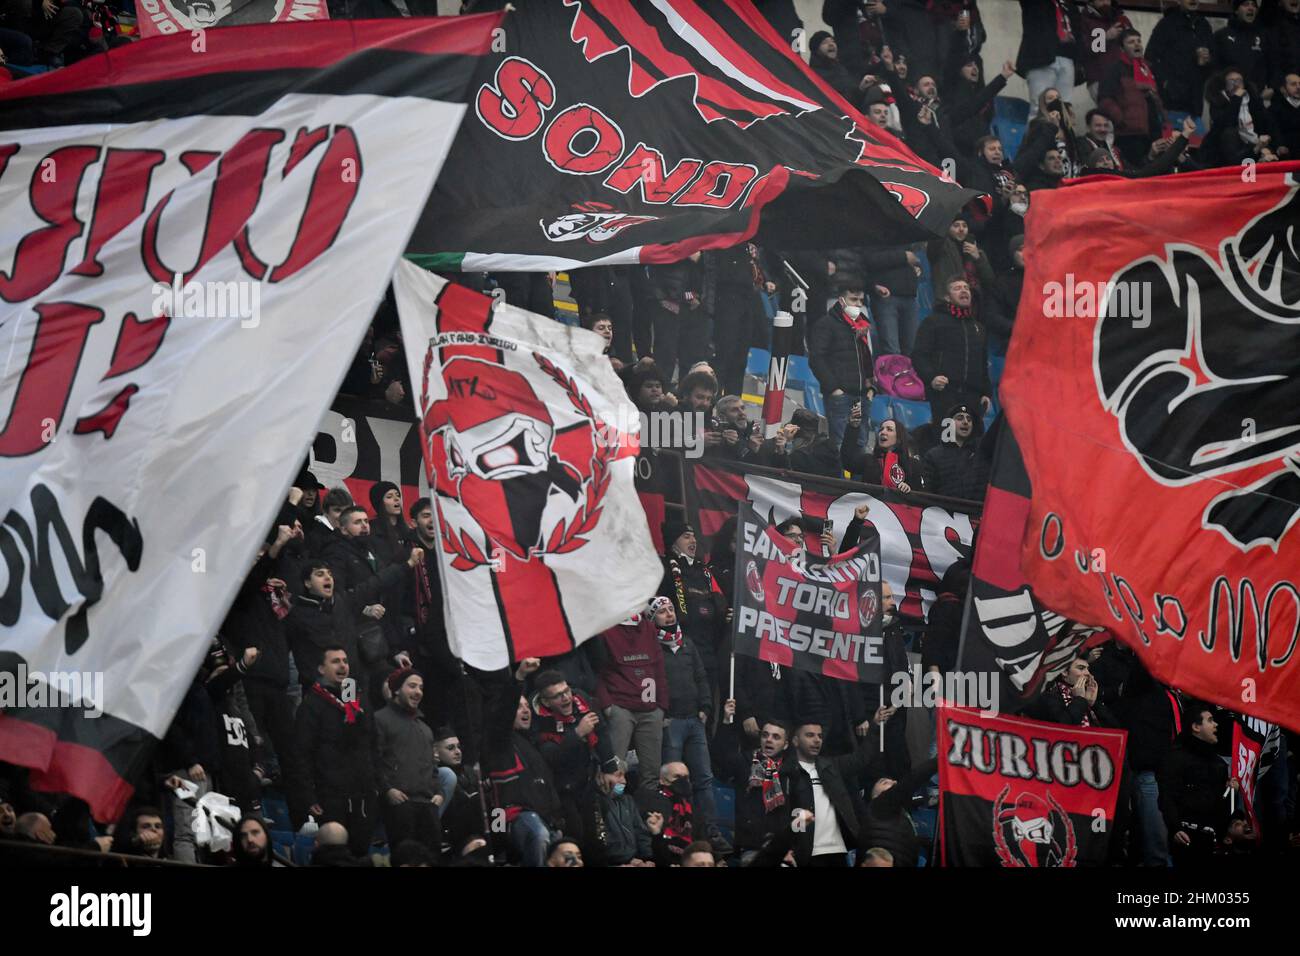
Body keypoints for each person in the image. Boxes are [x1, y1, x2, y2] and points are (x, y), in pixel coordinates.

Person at [647, 596, 730, 854]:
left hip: (694, 720)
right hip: (671, 722)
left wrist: (706, 708)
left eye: (671, 609)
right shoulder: (652, 648)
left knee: (704, 778)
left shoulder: (688, 644)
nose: (669, 615)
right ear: (652, 619)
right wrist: (661, 713)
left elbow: (701, 677)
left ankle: (711, 831)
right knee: (674, 780)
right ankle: (677, 831)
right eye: (661, 612)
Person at [294, 646, 380, 858]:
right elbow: (302, 753)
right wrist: (309, 795)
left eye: (345, 661)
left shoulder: (357, 698)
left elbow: (373, 743)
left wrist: (376, 781)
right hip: (331, 795)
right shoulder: (312, 704)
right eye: (335, 661)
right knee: (336, 855)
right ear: (321, 669)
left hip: (363, 793)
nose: (343, 665)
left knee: (361, 852)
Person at [480, 658, 564, 867]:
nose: (526, 710)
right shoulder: (498, 740)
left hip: (547, 817)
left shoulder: (531, 745)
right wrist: (518, 678)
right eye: (519, 707)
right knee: (539, 835)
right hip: (513, 817)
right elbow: (502, 712)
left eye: (527, 706)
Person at [784, 711, 890, 867]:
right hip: (807, 852)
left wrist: (874, 726)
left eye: (819, 736)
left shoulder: (831, 766)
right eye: (810, 735)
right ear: (795, 740)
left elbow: (861, 758)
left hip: (838, 850)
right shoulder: (786, 773)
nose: (816, 740)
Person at [530, 668, 618, 847]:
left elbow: (601, 732)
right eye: (558, 696)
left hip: (587, 778)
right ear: (545, 702)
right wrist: (577, 733)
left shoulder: (582, 700)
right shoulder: (537, 719)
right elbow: (548, 756)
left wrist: (610, 769)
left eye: (566, 691)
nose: (566, 698)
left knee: (598, 837)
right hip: (560, 788)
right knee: (576, 835)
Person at [590, 609, 666, 794]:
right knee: (613, 769)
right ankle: (611, 815)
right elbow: (596, 670)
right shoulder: (605, 629)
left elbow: (659, 667)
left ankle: (649, 815)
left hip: (650, 709)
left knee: (652, 771)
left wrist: (662, 706)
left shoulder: (648, 627)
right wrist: (608, 705)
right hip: (620, 708)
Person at [375, 668, 444, 855]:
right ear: (396, 689)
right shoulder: (380, 719)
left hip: (427, 804)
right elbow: (373, 760)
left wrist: (438, 792)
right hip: (400, 804)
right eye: (412, 686)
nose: (418, 692)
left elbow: (433, 766)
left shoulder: (425, 728)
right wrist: (387, 789)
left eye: (421, 687)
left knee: (433, 857)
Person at [710, 704, 793, 861]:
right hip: (751, 846)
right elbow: (721, 763)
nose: (769, 740)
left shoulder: (791, 771)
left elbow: (797, 811)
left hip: (783, 850)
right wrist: (726, 723)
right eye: (765, 735)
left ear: (786, 744)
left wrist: (793, 846)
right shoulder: (746, 762)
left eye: (776, 737)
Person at [911, 277, 993, 427]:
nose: (963, 290)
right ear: (947, 297)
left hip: (973, 398)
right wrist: (932, 377)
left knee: (972, 445)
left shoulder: (978, 328)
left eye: (966, 288)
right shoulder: (933, 322)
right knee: (947, 444)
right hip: (945, 395)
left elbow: (983, 364)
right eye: (957, 288)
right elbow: (919, 355)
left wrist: (986, 393)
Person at [808, 273, 876, 451]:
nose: (858, 304)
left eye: (861, 300)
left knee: (861, 447)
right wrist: (834, 389)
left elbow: (867, 357)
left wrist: (871, 389)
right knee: (839, 446)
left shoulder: (862, 326)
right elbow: (816, 358)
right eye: (854, 299)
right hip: (841, 396)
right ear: (841, 300)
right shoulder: (826, 324)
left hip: (862, 396)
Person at [1159, 703, 1234, 866]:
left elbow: (1220, 804)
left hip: (1212, 841)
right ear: (1195, 727)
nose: (1216, 724)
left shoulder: (1219, 764)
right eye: (1210, 720)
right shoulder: (1175, 758)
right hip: (1185, 838)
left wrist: (1230, 791)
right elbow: (1167, 796)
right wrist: (1175, 827)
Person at [658, 519, 728, 692]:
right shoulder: (664, 569)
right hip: (681, 651)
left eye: (694, 537)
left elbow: (719, 603)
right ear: (673, 541)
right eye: (686, 537)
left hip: (710, 650)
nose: (693, 541)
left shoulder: (704, 571)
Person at [1098, 29, 1166, 167]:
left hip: (1153, 132)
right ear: (1122, 48)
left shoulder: (1149, 68)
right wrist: (1121, 119)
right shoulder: (1115, 69)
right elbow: (1105, 99)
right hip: (1129, 135)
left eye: (1138, 41)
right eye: (1131, 42)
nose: (1137, 45)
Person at [1147, 0, 1216, 118]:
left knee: (1194, 134)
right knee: (1172, 134)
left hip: (1195, 95)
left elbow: (1213, 57)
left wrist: (1207, 60)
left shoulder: (1203, 25)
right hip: (1171, 96)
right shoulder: (1167, 24)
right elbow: (1150, 58)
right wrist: (1166, 83)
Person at [1016, 0, 1081, 117]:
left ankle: (1062, 135)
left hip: (1067, 57)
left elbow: (1079, 32)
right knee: (1040, 107)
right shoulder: (1035, 3)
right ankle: (1037, 135)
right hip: (1040, 57)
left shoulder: (1069, 6)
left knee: (1064, 109)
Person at [842, 409, 927, 494]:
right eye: (881, 429)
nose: (883, 432)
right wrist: (853, 427)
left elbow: (919, 494)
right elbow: (848, 462)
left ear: (899, 438)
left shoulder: (914, 465)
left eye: (889, 429)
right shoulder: (868, 460)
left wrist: (909, 489)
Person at [588, 758, 655, 866]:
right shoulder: (593, 803)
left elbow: (640, 831)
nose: (624, 781)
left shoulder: (628, 801)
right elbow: (602, 841)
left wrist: (648, 858)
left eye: (624, 776)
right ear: (601, 776)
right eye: (618, 775)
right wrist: (628, 859)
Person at [923, 402, 990, 500]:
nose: (966, 422)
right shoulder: (933, 455)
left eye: (969, 419)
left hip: (975, 513)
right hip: (943, 513)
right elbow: (928, 492)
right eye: (960, 418)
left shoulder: (981, 456)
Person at [1214, 0, 1268, 93]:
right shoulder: (1221, 35)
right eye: (1246, 4)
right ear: (1236, 10)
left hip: (1255, 95)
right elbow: (1215, 67)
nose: (1250, 8)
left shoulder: (1263, 36)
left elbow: (1267, 65)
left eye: (1254, 5)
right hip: (1229, 95)